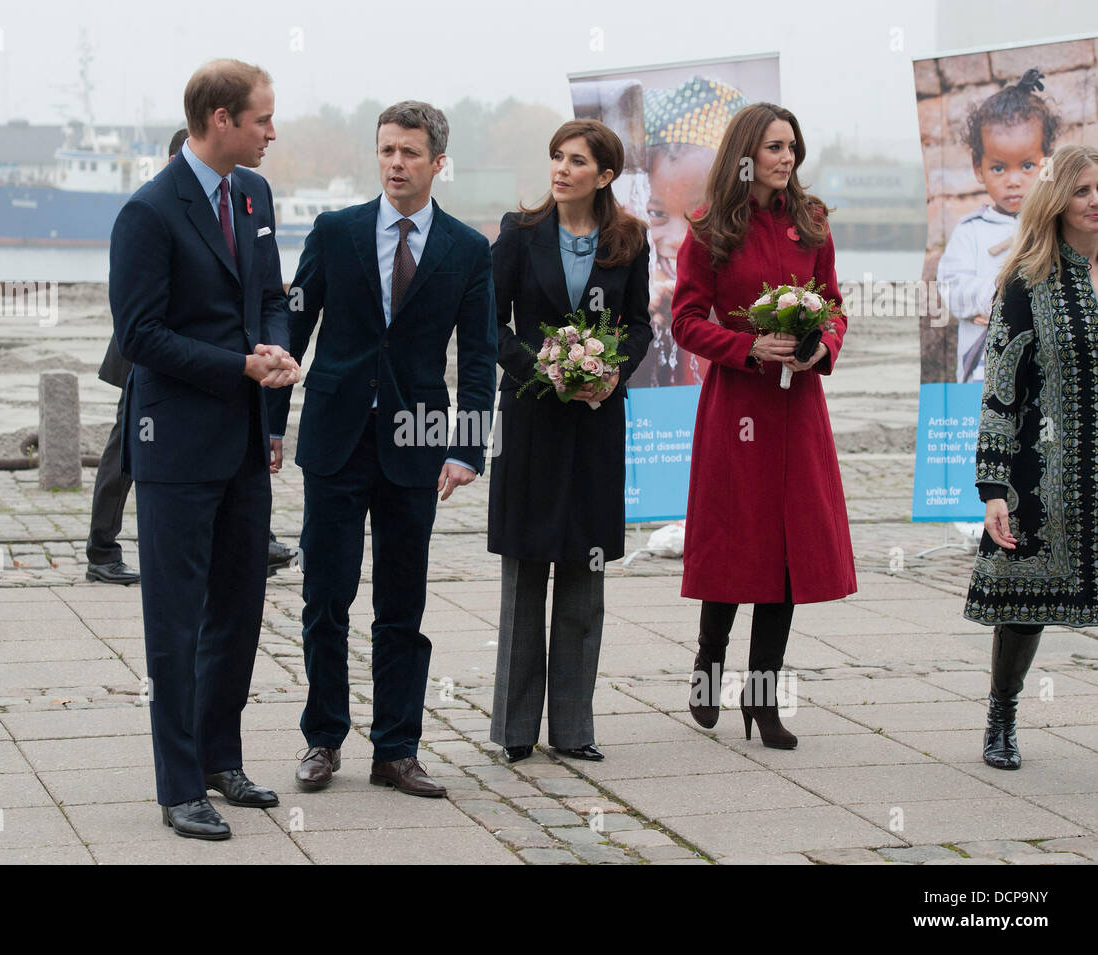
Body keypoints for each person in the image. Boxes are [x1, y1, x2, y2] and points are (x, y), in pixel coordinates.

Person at [268, 101, 497, 797]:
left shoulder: (467, 248)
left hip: (417, 443)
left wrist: (468, 445)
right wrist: (272, 424)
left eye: (409, 153)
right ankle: (323, 738)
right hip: (336, 437)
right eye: (386, 150)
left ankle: (397, 748)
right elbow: (292, 330)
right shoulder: (335, 231)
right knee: (324, 598)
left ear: (437, 163)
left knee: (402, 604)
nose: (395, 163)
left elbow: (480, 358)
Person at [110, 59, 299, 839]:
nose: (272, 131)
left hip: (246, 441)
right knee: (176, 622)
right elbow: (141, 337)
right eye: (261, 118)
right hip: (178, 446)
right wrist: (238, 367)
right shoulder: (148, 214)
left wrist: (278, 356)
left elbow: (270, 298)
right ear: (219, 119)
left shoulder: (254, 195)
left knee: (239, 610)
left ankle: (222, 757)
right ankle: (179, 783)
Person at [671, 102, 856, 749]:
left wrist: (820, 346)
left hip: (798, 412)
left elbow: (833, 305)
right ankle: (708, 663)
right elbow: (686, 320)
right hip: (736, 412)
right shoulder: (708, 229)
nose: (787, 159)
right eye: (776, 147)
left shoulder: (812, 223)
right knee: (733, 547)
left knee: (786, 558)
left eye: (792, 148)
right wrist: (746, 347)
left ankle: (763, 698)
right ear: (747, 152)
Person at [487, 120, 650, 762]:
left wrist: (610, 374)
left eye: (576, 160)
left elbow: (639, 326)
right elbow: (488, 324)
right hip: (530, 424)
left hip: (596, 426)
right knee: (526, 573)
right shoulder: (518, 233)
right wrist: (544, 373)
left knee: (584, 575)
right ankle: (517, 731)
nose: (560, 169)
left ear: (604, 175)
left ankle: (575, 730)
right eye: (556, 156)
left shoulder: (630, 241)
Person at [964, 143, 1098, 770]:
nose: (1095, 201)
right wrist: (993, 487)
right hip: (1043, 473)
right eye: (1083, 189)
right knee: (1025, 606)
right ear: (1058, 200)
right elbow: (1001, 390)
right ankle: (1002, 716)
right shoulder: (1027, 281)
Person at [87, 127, 188, 586]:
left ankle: (253, 538)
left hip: (186, 351)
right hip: (144, 351)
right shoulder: (152, 207)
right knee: (123, 453)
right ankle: (102, 550)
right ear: (174, 160)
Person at [938, 69, 1059, 383]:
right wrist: (994, 297)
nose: (1014, 180)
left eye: (1028, 165)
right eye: (999, 167)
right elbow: (951, 288)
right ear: (979, 168)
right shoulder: (971, 231)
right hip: (986, 374)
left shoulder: (1057, 228)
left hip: (1046, 372)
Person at [627, 77, 747, 389]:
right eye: (657, 214)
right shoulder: (627, 280)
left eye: (701, 214)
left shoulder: (745, 280)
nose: (680, 239)